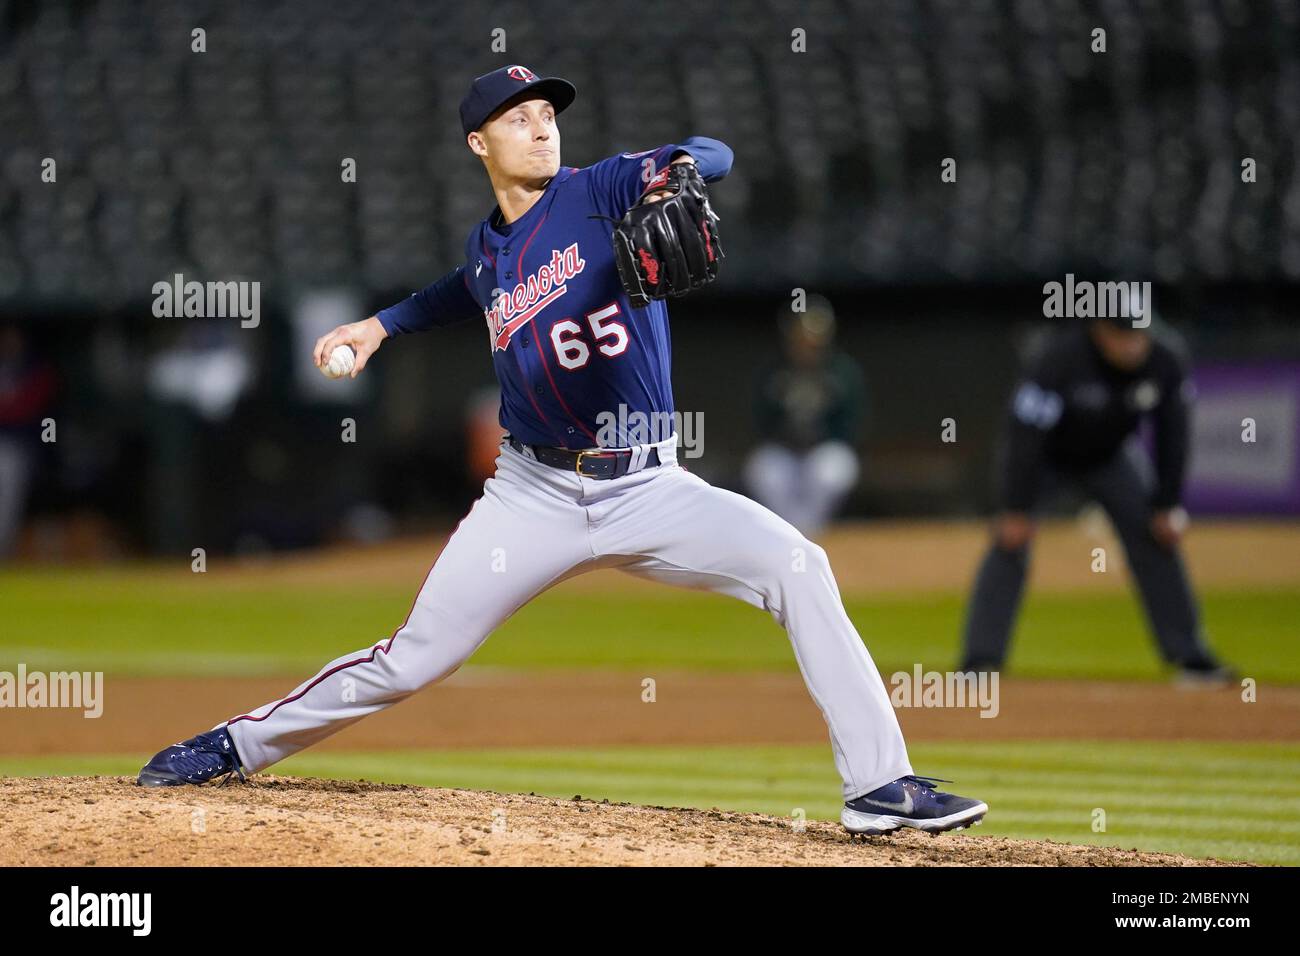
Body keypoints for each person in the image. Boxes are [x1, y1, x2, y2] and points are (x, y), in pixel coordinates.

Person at [139, 65, 986, 837]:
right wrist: (379, 327)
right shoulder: (488, 249)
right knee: (413, 659)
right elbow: (458, 292)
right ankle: (235, 746)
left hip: (651, 486)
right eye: (520, 118)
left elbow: (711, 150)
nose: (542, 127)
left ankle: (880, 786)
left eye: (548, 113)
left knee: (798, 567)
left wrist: (680, 171)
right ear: (480, 143)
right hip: (531, 496)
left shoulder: (603, 187)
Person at [959, 314, 1236, 686]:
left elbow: (1174, 431)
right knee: (1010, 541)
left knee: (1157, 538)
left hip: (1111, 456)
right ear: (1100, 331)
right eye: (1123, 334)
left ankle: (1191, 656)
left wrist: (1167, 504)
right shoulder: (1059, 358)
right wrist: (1016, 507)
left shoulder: (1165, 358)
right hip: (1048, 457)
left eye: (1139, 334)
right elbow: (1023, 435)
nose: (1133, 344)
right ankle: (980, 662)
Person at [743, 296, 866, 536]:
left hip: (823, 451)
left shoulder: (842, 372)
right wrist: (786, 440)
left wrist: (821, 439)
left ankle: (808, 534)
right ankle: (789, 534)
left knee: (831, 471)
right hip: (786, 452)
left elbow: (852, 422)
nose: (807, 342)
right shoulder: (775, 371)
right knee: (764, 469)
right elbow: (761, 420)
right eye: (802, 336)